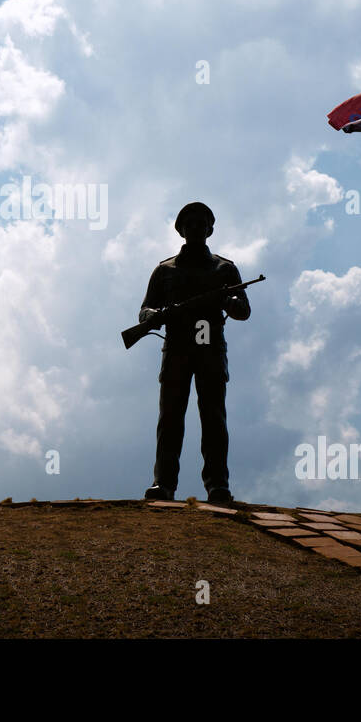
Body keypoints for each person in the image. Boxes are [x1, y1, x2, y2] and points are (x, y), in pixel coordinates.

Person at [137, 202, 251, 504]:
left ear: (210, 229)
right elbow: (145, 308)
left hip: (211, 347)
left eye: (202, 223)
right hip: (176, 348)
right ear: (181, 229)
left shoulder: (225, 268)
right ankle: (163, 484)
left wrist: (228, 301)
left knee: (214, 418)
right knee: (170, 419)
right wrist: (151, 316)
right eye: (191, 222)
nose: (197, 227)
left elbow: (244, 311)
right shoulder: (165, 270)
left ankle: (218, 486)